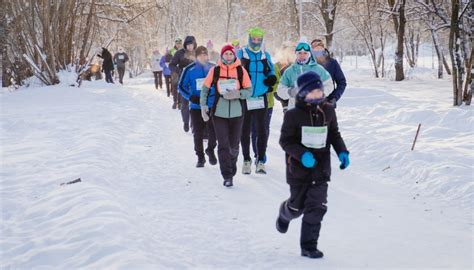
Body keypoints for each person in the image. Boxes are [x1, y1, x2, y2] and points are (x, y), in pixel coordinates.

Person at [276, 71, 350, 259]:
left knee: (317, 207)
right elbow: (285, 141)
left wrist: (342, 151)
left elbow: (334, 133)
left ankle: (309, 246)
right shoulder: (292, 115)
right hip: (298, 169)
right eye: (312, 92)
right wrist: (302, 155)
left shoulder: (328, 110)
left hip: (321, 168)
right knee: (297, 207)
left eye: (319, 91)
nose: (317, 95)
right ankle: (285, 213)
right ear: (302, 94)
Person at [200, 45, 252, 187]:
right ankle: (227, 175)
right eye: (226, 54)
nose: (228, 56)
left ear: (234, 55)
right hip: (219, 113)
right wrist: (203, 107)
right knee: (223, 145)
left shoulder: (241, 70)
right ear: (222, 56)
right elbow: (205, 90)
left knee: (234, 146)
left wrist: (238, 94)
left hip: (237, 113)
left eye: (230, 54)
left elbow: (249, 91)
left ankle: (232, 166)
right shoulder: (215, 70)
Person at [237, 27, 277, 175]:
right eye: (253, 39)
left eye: (258, 39)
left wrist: (271, 78)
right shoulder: (242, 53)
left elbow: (271, 71)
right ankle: (246, 160)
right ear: (249, 39)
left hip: (261, 98)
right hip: (245, 98)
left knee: (261, 130)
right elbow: (233, 69)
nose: (256, 42)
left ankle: (260, 160)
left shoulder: (264, 55)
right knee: (245, 130)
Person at [178, 46, 218, 167]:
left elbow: (220, 83)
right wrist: (191, 97)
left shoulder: (213, 68)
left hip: (211, 104)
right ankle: (200, 157)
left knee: (213, 131)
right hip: (196, 106)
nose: (203, 57)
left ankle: (210, 150)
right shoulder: (189, 69)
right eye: (200, 55)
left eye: (205, 54)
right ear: (196, 56)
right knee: (198, 133)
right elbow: (181, 86)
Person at [277, 39, 332, 110]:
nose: (302, 55)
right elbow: (280, 90)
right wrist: (290, 92)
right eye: (299, 53)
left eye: (305, 53)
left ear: (309, 54)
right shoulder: (289, 71)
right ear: (296, 54)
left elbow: (330, 85)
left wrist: (318, 93)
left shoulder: (319, 69)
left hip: (315, 109)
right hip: (295, 111)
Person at [170, 36, 197, 132]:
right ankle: (186, 121)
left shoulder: (197, 53)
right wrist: (179, 71)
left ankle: (194, 124)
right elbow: (172, 65)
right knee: (185, 103)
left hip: (195, 81)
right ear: (185, 45)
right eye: (188, 45)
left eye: (192, 45)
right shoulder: (179, 53)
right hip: (183, 80)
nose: (190, 47)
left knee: (195, 103)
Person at [311, 39, 347, 107]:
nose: (318, 51)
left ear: (324, 49)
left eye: (320, 48)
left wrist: (334, 97)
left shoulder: (332, 63)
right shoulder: (307, 64)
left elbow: (342, 82)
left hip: (327, 104)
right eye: (315, 49)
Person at [169, 38, 183, 109]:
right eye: (177, 43)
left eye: (180, 43)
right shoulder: (171, 50)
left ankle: (180, 102)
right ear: (175, 43)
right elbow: (167, 60)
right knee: (175, 87)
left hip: (181, 71)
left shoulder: (184, 51)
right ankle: (175, 102)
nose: (178, 45)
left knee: (180, 86)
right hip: (174, 72)